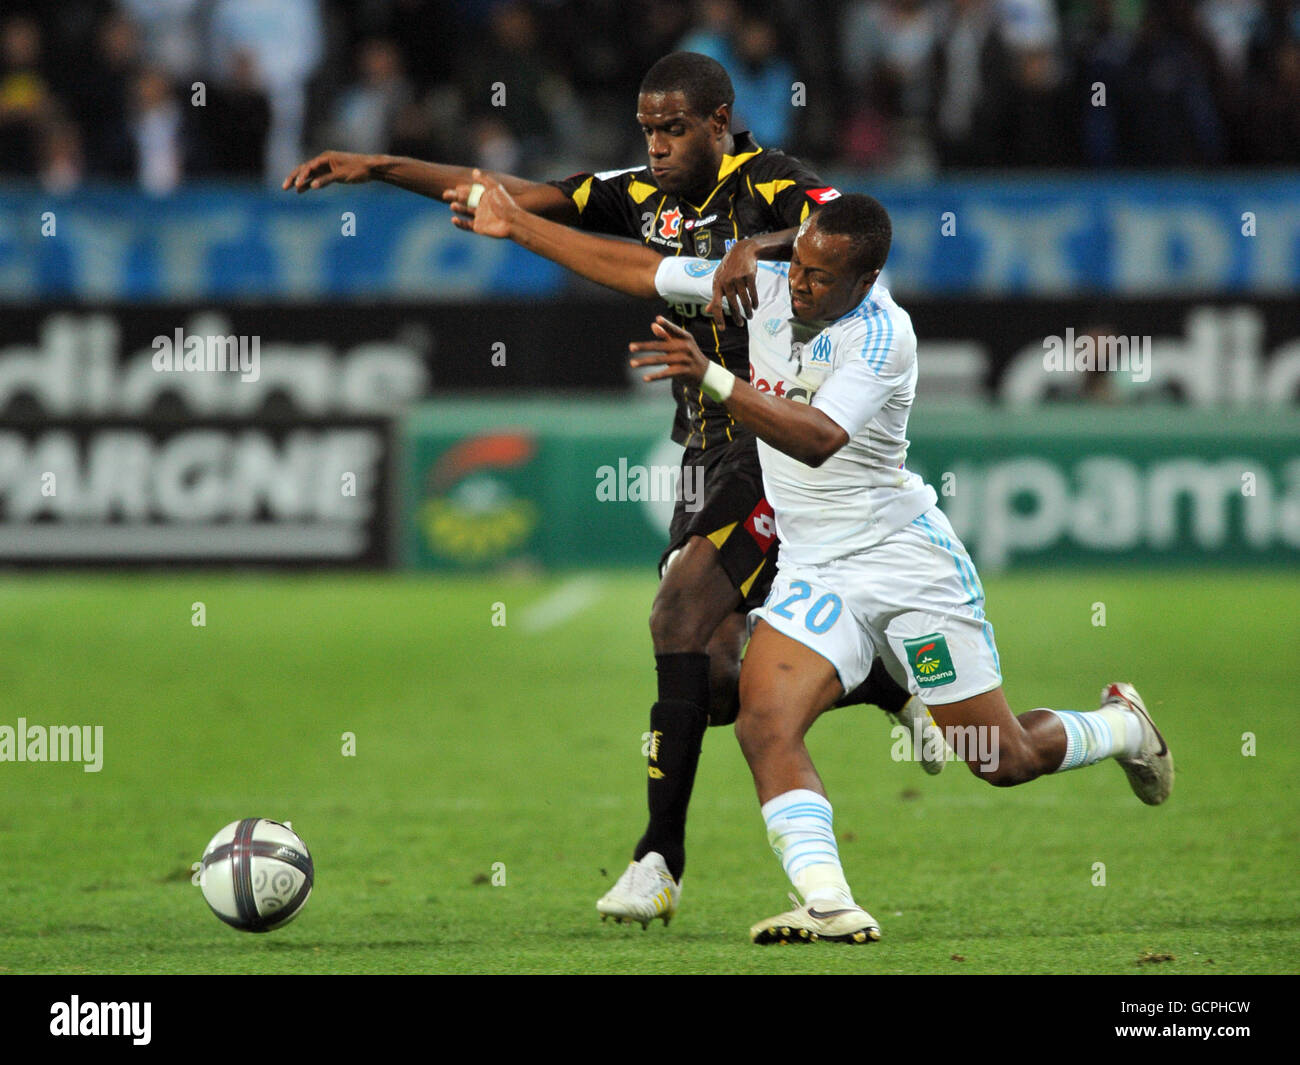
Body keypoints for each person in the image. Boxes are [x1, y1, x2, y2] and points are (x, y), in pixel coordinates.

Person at [284, 52, 944, 930]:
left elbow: (849, 230)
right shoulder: (642, 197)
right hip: (703, 444)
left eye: (675, 128)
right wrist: (381, 168)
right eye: (648, 129)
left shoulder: (774, 183)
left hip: (767, 433)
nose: (659, 145)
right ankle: (889, 685)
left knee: (674, 615)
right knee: (711, 683)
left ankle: (657, 861)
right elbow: (513, 194)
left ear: (719, 122)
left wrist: (758, 243)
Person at [465, 178, 1175, 945]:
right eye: (796, 264)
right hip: (815, 568)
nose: (799, 284)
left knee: (999, 758)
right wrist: (516, 227)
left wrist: (711, 373)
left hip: (903, 564)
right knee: (763, 720)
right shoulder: (767, 281)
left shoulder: (882, 335)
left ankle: (1121, 726)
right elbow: (640, 269)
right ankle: (830, 901)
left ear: (865, 282)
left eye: (818, 276)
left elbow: (816, 437)